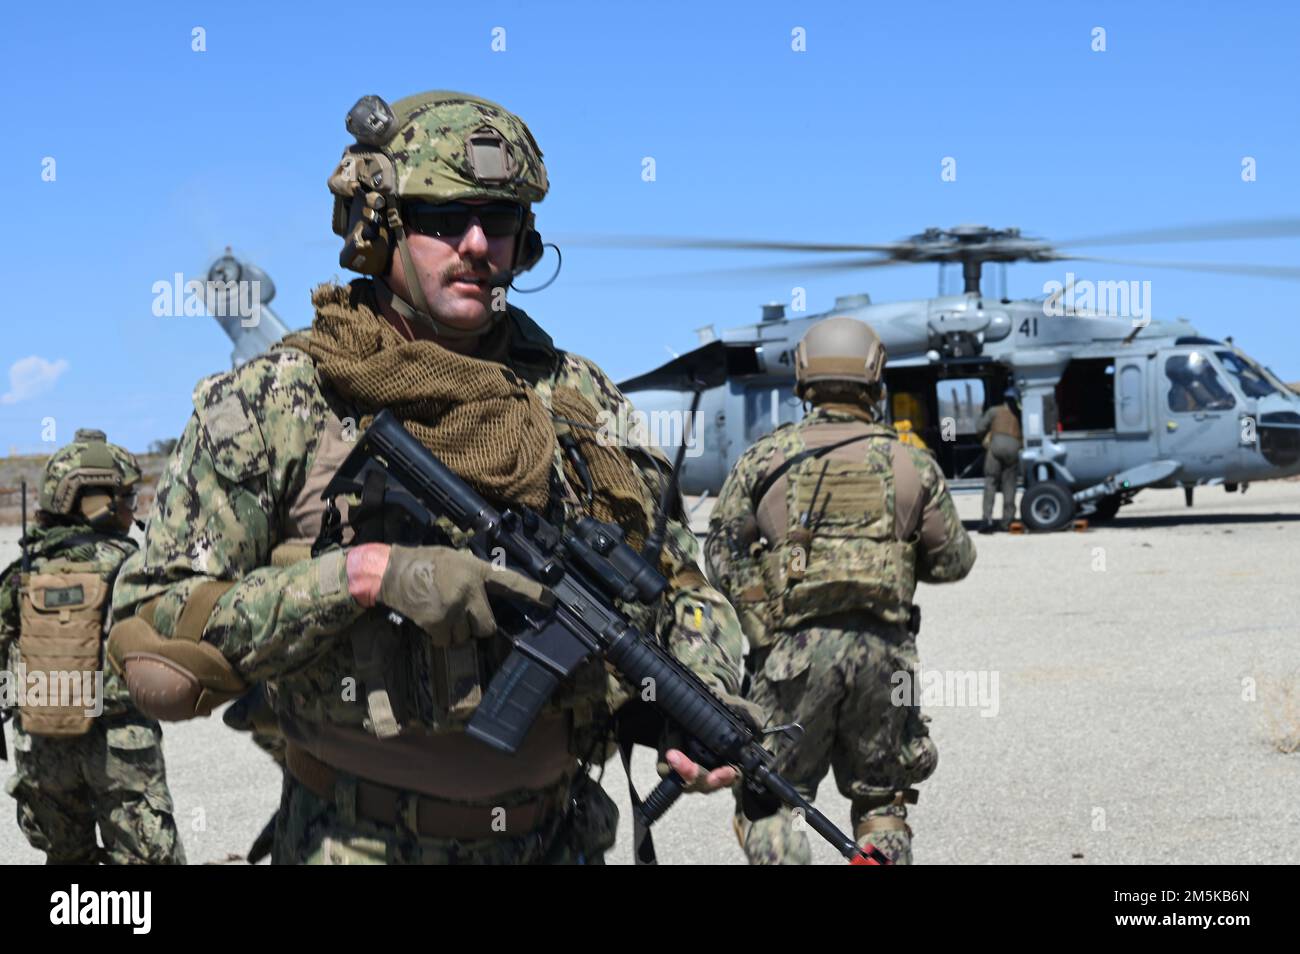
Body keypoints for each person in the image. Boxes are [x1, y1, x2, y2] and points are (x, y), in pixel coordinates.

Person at [107, 91, 746, 865]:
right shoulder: (279, 401)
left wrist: (694, 700)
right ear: (378, 228)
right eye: (443, 220)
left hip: (560, 839)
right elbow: (154, 639)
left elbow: (680, 584)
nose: (478, 245)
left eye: (500, 220)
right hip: (354, 843)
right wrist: (362, 576)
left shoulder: (581, 400)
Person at [705, 317, 976, 864]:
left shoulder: (765, 459)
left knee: (771, 801)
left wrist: (765, 625)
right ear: (875, 377)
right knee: (883, 804)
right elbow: (953, 561)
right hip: (886, 657)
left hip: (792, 661)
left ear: (803, 376)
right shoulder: (911, 461)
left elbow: (721, 551)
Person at [0, 429, 185, 864]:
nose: (130, 509)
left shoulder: (20, 575)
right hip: (121, 746)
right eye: (126, 499)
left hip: (42, 748)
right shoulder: (134, 570)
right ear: (95, 501)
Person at [976, 386, 1023, 533]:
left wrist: (983, 438)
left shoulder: (994, 411)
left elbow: (979, 428)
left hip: (996, 446)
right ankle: (1007, 522)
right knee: (1009, 485)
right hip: (1014, 448)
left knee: (991, 482)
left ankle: (987, 519)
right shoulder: (1019, 414)